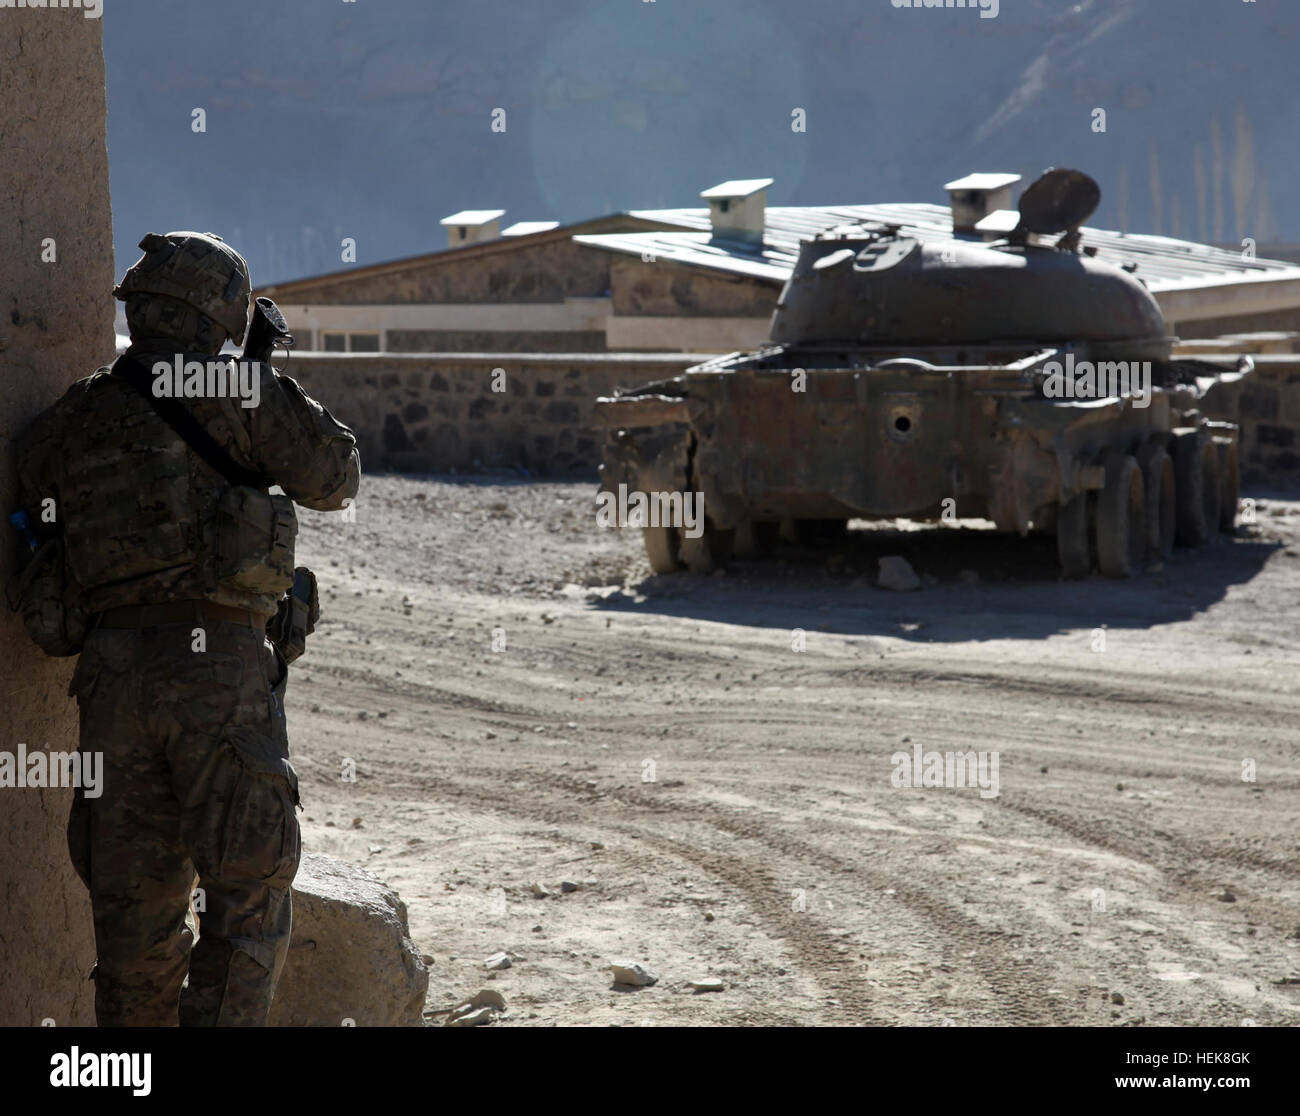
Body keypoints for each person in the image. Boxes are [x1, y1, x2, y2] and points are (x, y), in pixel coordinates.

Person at [14, 231, 360, 1026]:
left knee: (134, 917)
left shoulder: (80, 409)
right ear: (222, 311)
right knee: (247, 897)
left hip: (110, 678)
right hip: (218, 680)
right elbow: (334, 476)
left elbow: (34, 476)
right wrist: (262, 383)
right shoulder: (234, 389)